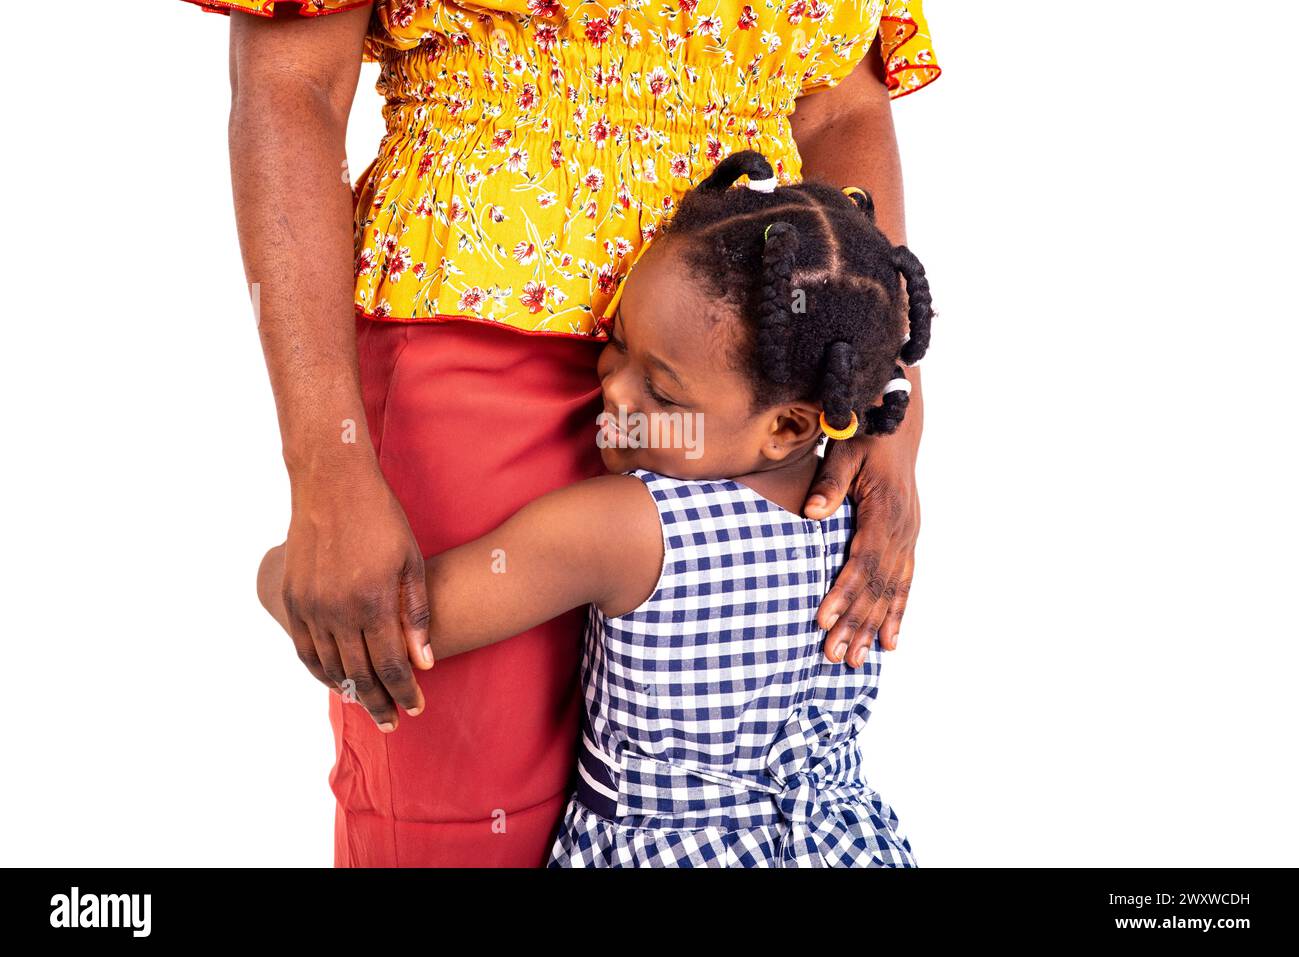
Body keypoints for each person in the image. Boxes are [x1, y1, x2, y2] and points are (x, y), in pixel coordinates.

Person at [184, 0, 941, 866]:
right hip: (473, 344)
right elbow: (290, 79)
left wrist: (883, 391)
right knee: (458, 830)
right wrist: (328, 464)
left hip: (753, 383)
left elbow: (842, 104)